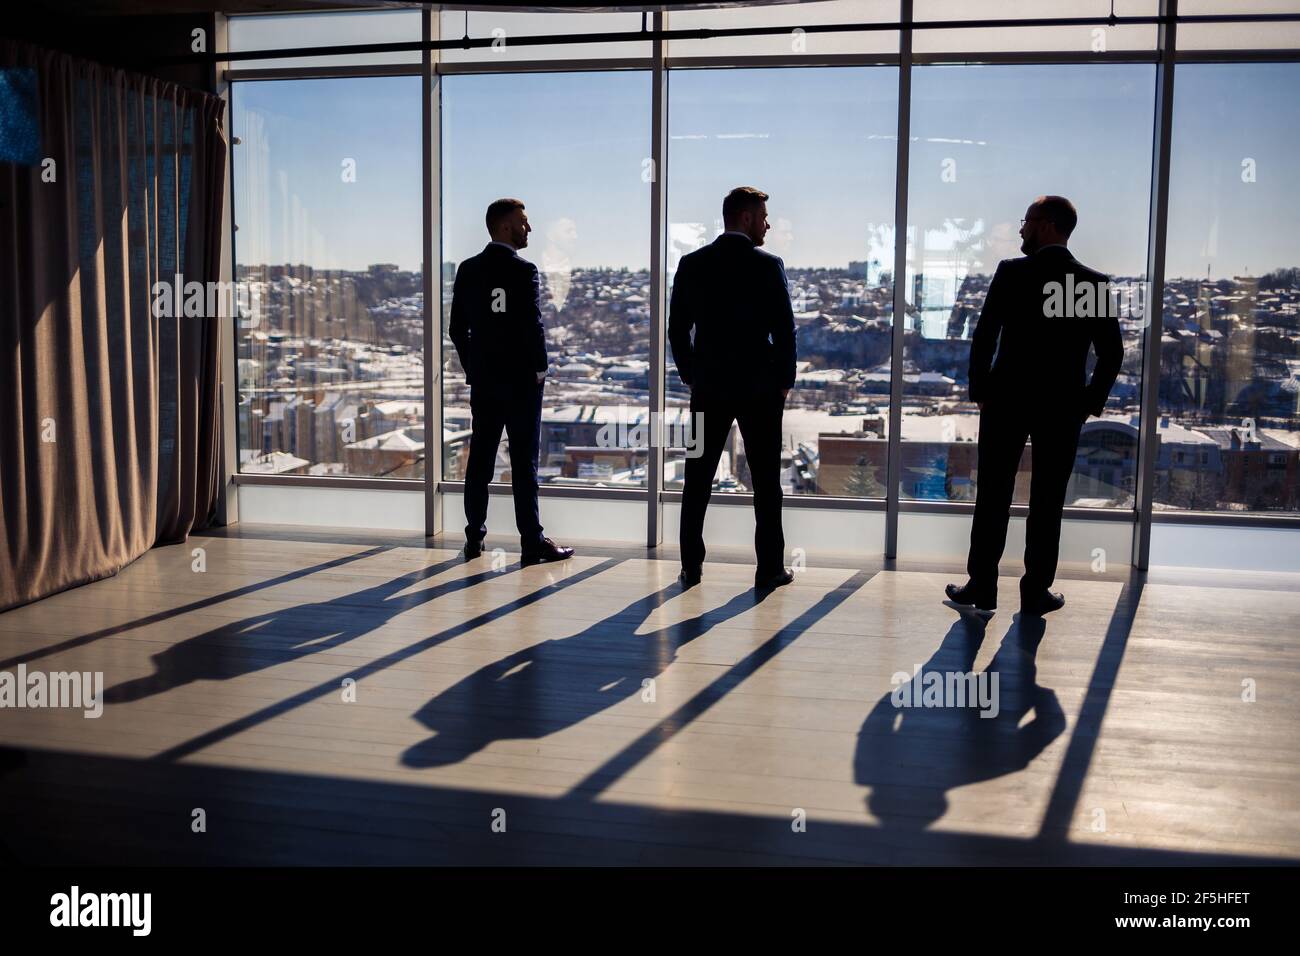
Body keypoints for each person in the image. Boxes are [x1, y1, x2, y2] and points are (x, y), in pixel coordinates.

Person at [947, 195, 1123, 616]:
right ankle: (1035, 592)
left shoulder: (1012, 273)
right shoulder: (1092, 283)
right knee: (1048, 501)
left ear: (1045, 225)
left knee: (993, 495)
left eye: (1025, 222)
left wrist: (981, 391)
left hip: (1006, 401)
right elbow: (1111, 353)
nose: (1021, 229)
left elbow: (985, 336)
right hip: (1062, 407)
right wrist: (1087, 403)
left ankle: (982, 587)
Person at [669, 186, 797, 592]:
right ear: (745, 218)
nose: (767, 224)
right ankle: (769, 569)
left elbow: (677, 328)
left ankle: (691, 566)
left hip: (708, 387)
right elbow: (785, 331)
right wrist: (784, 382)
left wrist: (691, 373)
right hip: (760, 389)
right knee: (766, 483)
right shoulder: (768, 265)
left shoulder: (692, 264)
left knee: (697, 478)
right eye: (762, 216)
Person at [448, 197, 574, 566]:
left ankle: (474, 538)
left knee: (481, 461)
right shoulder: (524, 271)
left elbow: (458, 329)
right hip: (521, 383)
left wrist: (475, 368)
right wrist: (539, 369)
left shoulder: (468, 270)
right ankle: (531, 542)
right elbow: (531, 325)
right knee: (524, 464)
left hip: (486, 383)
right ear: (505, 226)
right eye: (523, 221)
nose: (529, 228)